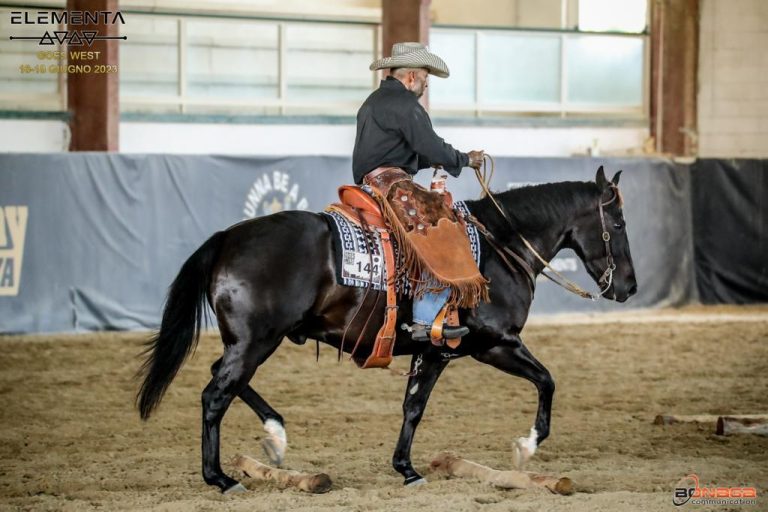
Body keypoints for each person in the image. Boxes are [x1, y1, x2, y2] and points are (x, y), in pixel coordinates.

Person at [352, 42, 485, 342]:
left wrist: (451, 158)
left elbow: (416, 153)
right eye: (426, 78)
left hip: (370, 183)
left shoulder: (373, 102)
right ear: (412, 76)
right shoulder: (406, 106)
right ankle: (424, 320)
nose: (426, 85)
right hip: (392, 185)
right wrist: (465, 159)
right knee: (441, 232)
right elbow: (432, 146)